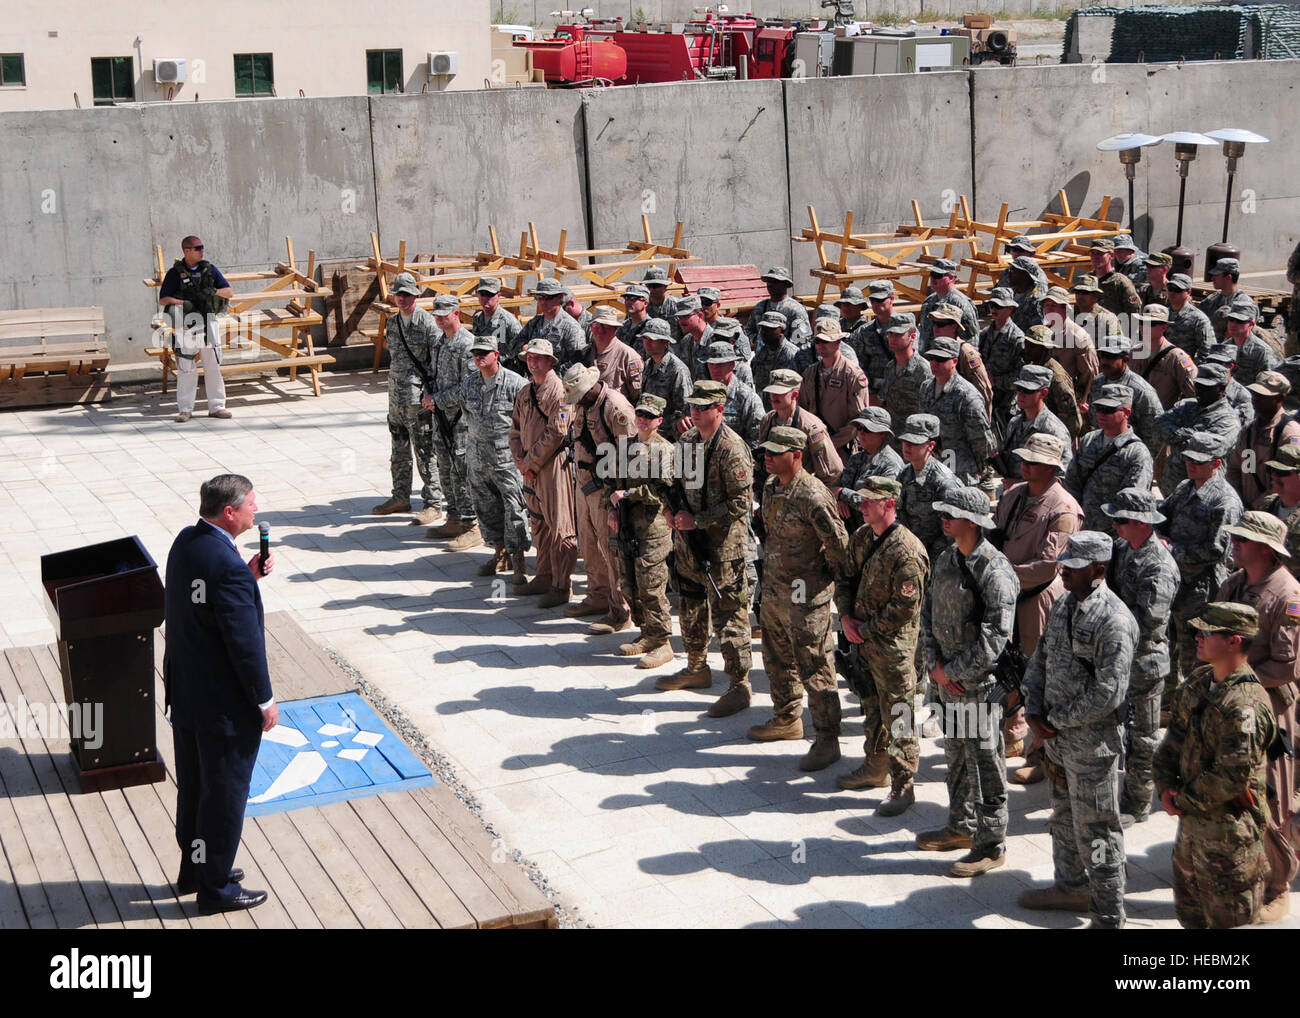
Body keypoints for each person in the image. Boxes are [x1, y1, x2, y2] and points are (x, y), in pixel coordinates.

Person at [164, 474, 274, 914]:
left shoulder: (186, 542)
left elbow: (200, 604)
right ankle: (216, 889)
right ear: (229, 513)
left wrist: (245, 580)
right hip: (224, 706)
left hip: (187, 693)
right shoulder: (225, 565)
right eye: (251, 504)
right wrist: (263, 700)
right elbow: (243, 643)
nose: (256, 511)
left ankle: (195, 868)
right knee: (225, 793)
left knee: (193, 787)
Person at [1020, 531, 1138, 928]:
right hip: (1056, 742)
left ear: (1099, 570)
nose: (1064, 570)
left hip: (1092, 749)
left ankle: (1108, 912)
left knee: (1100, 833)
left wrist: (1054, 719)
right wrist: (1033, 707)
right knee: (1063, 819)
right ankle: (1069, 885)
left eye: (1073, 565)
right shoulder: (1065, 604)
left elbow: (1109, 692)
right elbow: (1041, 658)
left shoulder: (1115, 620)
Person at [1153, 602, 1278, 929]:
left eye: (1207, 632)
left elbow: (1230, 777)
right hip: (1191, 838)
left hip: (1229, 844)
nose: (1197, 637)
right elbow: (1173, 740)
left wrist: (1181, 800)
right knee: (1190, 919)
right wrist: (1165, 784)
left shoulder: (1246, 705)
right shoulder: (1198, 682)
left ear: (1234, 641)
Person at [918, 486, 1018, 877]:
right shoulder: (945, 558)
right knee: (956, 756)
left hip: (978, 687)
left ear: (974, 522)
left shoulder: (994, 570)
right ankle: (960, 826)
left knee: (986, 762)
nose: (944, 519)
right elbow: (927, 616)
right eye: (943, 513)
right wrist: (934, 666)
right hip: (947, 683)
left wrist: (953, 672)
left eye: (951, 514)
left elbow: (996, 638)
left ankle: (991, 844)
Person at [748, 426, 851, 770]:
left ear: (796, 456)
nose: (768, 458)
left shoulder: (813, 495)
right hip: (776, 590)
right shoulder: (768, 486)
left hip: (807, 596)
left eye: (775, 453)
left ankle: (827, 738)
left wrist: (829, 588)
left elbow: (839, 546)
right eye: (766, 452)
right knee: (777, 659)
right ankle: (786, 718)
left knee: (815, 666)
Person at [657, 381, 755, 719]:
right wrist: (670, 512)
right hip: (688, 542)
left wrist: (696, 520)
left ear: (720, 410)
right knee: (690, 604)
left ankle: (739, 684)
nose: (695, 413)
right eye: (692, 407)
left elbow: (741, 504)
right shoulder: (686, 442)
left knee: (729, 616)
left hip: (722, 547)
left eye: (703, 408)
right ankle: (696, 666)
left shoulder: (732, 449)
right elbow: (670, 482)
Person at [834, 476, 929, 812]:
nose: (862, 506)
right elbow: (844, 578)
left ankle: (904, 785)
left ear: (889, 504)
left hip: (893, 650)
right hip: (863, 643)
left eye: (870, 501)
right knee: (872, 708)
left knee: (899, 716)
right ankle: (875, 767)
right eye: (861, 499)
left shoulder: (907, 550)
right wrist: (845, 618)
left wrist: (866, 629)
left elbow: (905, 608)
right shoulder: (861, 537)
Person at [1217, 512, 1300, 855]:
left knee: (1269, 793)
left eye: (1243, 539)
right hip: (1228, 702)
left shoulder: (1289, 595)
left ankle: (1277, 880)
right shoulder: (1234, 584)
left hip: (1268, 706)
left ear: (1267, 549)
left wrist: (1237, 677)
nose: (1234, 544)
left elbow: (1287, 666)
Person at [1103, 488, 1179, 828]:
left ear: (1141, 523)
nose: (1115, 527)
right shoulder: (1123, 549)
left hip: (1144, 662)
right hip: (1118, 656)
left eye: (1120, 520)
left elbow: (1148, 619)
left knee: (1143, 736)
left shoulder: (1159, 566)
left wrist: (1107, 622)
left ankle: (1136, 803)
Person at [426, 336, 530, 584]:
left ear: (496, 354)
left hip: (507, 460)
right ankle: (499, 552)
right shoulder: (470, 384)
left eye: (484, 352)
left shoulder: (517, 384)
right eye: (476, 353)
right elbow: (451, 396)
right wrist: (432, 399)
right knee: (486, 508)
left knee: (514, 509)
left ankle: (519, 561)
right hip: (477, 459)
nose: (479, 357)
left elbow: (532, 417)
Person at [1159, 431, 1244, 713]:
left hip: (1200, 589)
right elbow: (1162, 515)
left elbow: (1216, 550)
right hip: (1174, 583)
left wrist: (1172, 550)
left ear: (1216, 463)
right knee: (1168, 646)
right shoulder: (1185, 487)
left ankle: (1201, 713)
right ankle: (1171, 707)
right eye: (1188, 458)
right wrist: (1158, 537)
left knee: (1195, 656)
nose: (1190, 464)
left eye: (1199, 460)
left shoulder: (1224, 501)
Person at [562, 364, 636, 632]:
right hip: (585, 485)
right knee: (589, 543)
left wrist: (621, 498)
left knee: (612, 549)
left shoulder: (615, 408)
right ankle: (598, 596)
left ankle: (621, 610)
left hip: (606, 490)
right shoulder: (585, 402)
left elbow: (631, 456)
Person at [604, 394, 676, 670]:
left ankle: (662, 641)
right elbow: (611, 483)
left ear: (659, 420)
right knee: (628, 581)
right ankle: (646, 632)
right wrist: (611, 507)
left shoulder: (665, 450)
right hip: (626, 524)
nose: (643, 420)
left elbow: (663, 490)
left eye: (649, 416)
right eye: (640, 415)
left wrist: (630, 493)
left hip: (652, 527)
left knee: (651, 584)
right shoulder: (626, 447)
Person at [508, 338, 577, 607]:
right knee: (538, 522)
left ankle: (562, 584)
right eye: (530, 358)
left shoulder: (560, 392)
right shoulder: (526, 392)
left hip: (552, 467)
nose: (533, 362)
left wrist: (531, 463)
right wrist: (520, 461)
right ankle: (544, 574)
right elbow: (514, 430)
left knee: (559, 526)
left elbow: (557, 432)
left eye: (539, 358)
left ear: (550, 361)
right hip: (529, 469)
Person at [372, 271, 444, 525]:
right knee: (398, 448)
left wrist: (432, 392)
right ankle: (400, 496)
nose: (402, 299)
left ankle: (433, 502)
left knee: (424, 449)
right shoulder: (392, 324)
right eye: (398, 294)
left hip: (418, 398)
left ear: (415, 296)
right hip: (396, 397)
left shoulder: (426, 323)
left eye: (407, 295)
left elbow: (437, 359)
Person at [423, 294, 480, 549]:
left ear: (457, 313)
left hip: (460, 420)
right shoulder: (439, 342)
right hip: (441, 417)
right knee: (445, 468)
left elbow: (468, 387)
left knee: (462, 472)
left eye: (444, 314)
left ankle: (472, 524)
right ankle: (455, 516)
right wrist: (429, 396)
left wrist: (438, 398)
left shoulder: (467, 344)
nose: (439, 318)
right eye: (436, 314)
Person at [158, 235, 234, 423]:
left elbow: (229, 291)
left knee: (213, 366)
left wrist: (213, 292)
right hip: (187, 324)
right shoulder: (175, 273)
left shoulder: (209, 269)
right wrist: (184, 303)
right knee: (186, 367)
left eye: (202, 247)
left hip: (208, 321)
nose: (202, 251)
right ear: (187, 251)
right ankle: (185, 409)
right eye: (197, 248)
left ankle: (217, 407)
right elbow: (163, 299)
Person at [1062, 384, 1153, 535]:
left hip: (1113, 535)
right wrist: (1074, 517)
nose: (1101, 414)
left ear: (1127, 412)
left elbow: (1132, 503)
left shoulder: (1137, 453)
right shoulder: (1089, 440)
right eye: (1099, 409)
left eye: (1109, 410)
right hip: (1080, 527)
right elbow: (1072, 481)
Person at [1152, 362, 1241, 493]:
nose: (1199, 391)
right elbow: (1157, 427)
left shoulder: (1228, 420)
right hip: (1172, 489)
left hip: (1204, 491)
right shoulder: (1187, 406)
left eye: (1206, 387)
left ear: (1221, 389)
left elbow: (1210, 450)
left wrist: (1175, 438)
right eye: (1198, 385)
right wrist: (1191, 435)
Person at [920, 336, 996, 486]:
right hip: (932, 466)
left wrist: (980, 468)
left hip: (961, 470)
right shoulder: (926, 387)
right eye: (932, 358)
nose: (934, 363)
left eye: (940, 359)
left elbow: (981, 439)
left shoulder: (966, 395)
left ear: (954, 361)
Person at [1227, 370, 1300, 509]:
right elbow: (1234, 468)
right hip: (1245, 508)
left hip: (1274, 512)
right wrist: (1237, 501)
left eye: (1263, 396)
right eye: (1255, 393)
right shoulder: (1248, 429)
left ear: (1279, 399)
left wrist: (1257, 507)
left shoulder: (1289, 433)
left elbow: (1288, 480)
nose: (1255, 398)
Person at [798, 318, 870, 457]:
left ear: (838, 342)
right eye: (817, 341)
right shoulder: (810, 373)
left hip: (842, 449)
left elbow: (857, 419)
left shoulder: (852, 374)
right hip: (813, 447)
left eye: (825, 341)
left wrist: (830, 444)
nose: (820, 346)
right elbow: (802, 410)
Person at [896, 413, 961, 564]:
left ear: (931, 446)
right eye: (905, 441)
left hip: (935, 557)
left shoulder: (944, 482)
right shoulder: (905, 473)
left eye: (914, 442)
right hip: (909, 550)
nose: (907, 446)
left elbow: (952, 533)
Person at [996, 366, 1075, 477]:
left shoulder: (1054, 430)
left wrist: (1020, 486)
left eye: (1028, 390)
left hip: (1038, 493)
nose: (1021, 394)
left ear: (1043, 393)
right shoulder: (1014, 423)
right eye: (1019, 388)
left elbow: (1063, 475)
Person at [831, 408, 904, 527]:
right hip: (850, 527)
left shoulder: (891, 464)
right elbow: (835, 488)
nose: (861, 433)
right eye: (859, 428)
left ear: (882, 434)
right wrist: (839, 498)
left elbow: (881, 503)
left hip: (875, 530)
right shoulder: (856, 458)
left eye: (868, 429)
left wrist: (843, 494)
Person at [978, 287, 1027, 436]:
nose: (993, 309)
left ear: (1010, 308)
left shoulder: (1017, 338)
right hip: (986, 399)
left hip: (1006, 405)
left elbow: (1022, 377)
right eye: (992, 305)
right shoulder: (985, 333)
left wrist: (996, 381)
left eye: (998, 306)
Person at [640, 316, 693, 438]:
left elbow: (686, 411)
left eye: (653, 339)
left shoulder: (678, 370)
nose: (647, 343)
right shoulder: (649, 364)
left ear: (665, 342)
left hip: (669, 435)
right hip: (650, 431)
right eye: (645, 338)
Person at [880, 313, 931, 437]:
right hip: (892, 437)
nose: (892, 338)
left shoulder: (923, 370)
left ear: (912, 336)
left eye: (898, 335)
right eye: (890, 334)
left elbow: (931, 410)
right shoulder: (890, 367)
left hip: (915, 438)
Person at [586, 304, 643, 404]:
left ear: (615, 328)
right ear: (591, 326)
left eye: (605, 326)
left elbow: (636, 395)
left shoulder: (628, 356)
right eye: (596, 325)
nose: (600, 330)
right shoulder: (585, 352)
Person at [918, 258, 980, 352]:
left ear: (951, 277)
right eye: (932, 274)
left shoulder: (961, 304)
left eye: (938, 275)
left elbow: (972, 339)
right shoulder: (929, 302)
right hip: (930, 358)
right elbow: (923, 334)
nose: (933, 279)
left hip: (950, 358)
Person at [745, 266, 811, 348]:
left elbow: (801, 341)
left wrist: (779, 345)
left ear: (785, 284)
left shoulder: (795, 310)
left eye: (774, 281)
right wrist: (756, 340)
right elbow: (748, 330)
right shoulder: (760, 307)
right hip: (763, 357)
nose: (770, 285)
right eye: (768, 281)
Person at [1165, 273, 1217, 364]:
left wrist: (1187, 368)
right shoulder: (1162, 313)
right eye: (1170, 289)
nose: (1172, 293)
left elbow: (1207, 352)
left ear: (1188, 292)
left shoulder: (1199, 319)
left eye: (1178, 290)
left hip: (1184, 368)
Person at [1088, 239, 1141, 319]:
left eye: (1100, 254)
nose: (1095, 257)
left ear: (1111, 256)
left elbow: (1134, 310)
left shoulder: (1120, 282)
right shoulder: (1087, 280)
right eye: (1093, 253)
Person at [472, 276, 522, 360]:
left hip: (504, 368)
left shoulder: (509, 321)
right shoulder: (477, 318)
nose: (485, 298)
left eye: (489, 294)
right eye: (482, 294)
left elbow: (521, 347)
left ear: (498, 296)